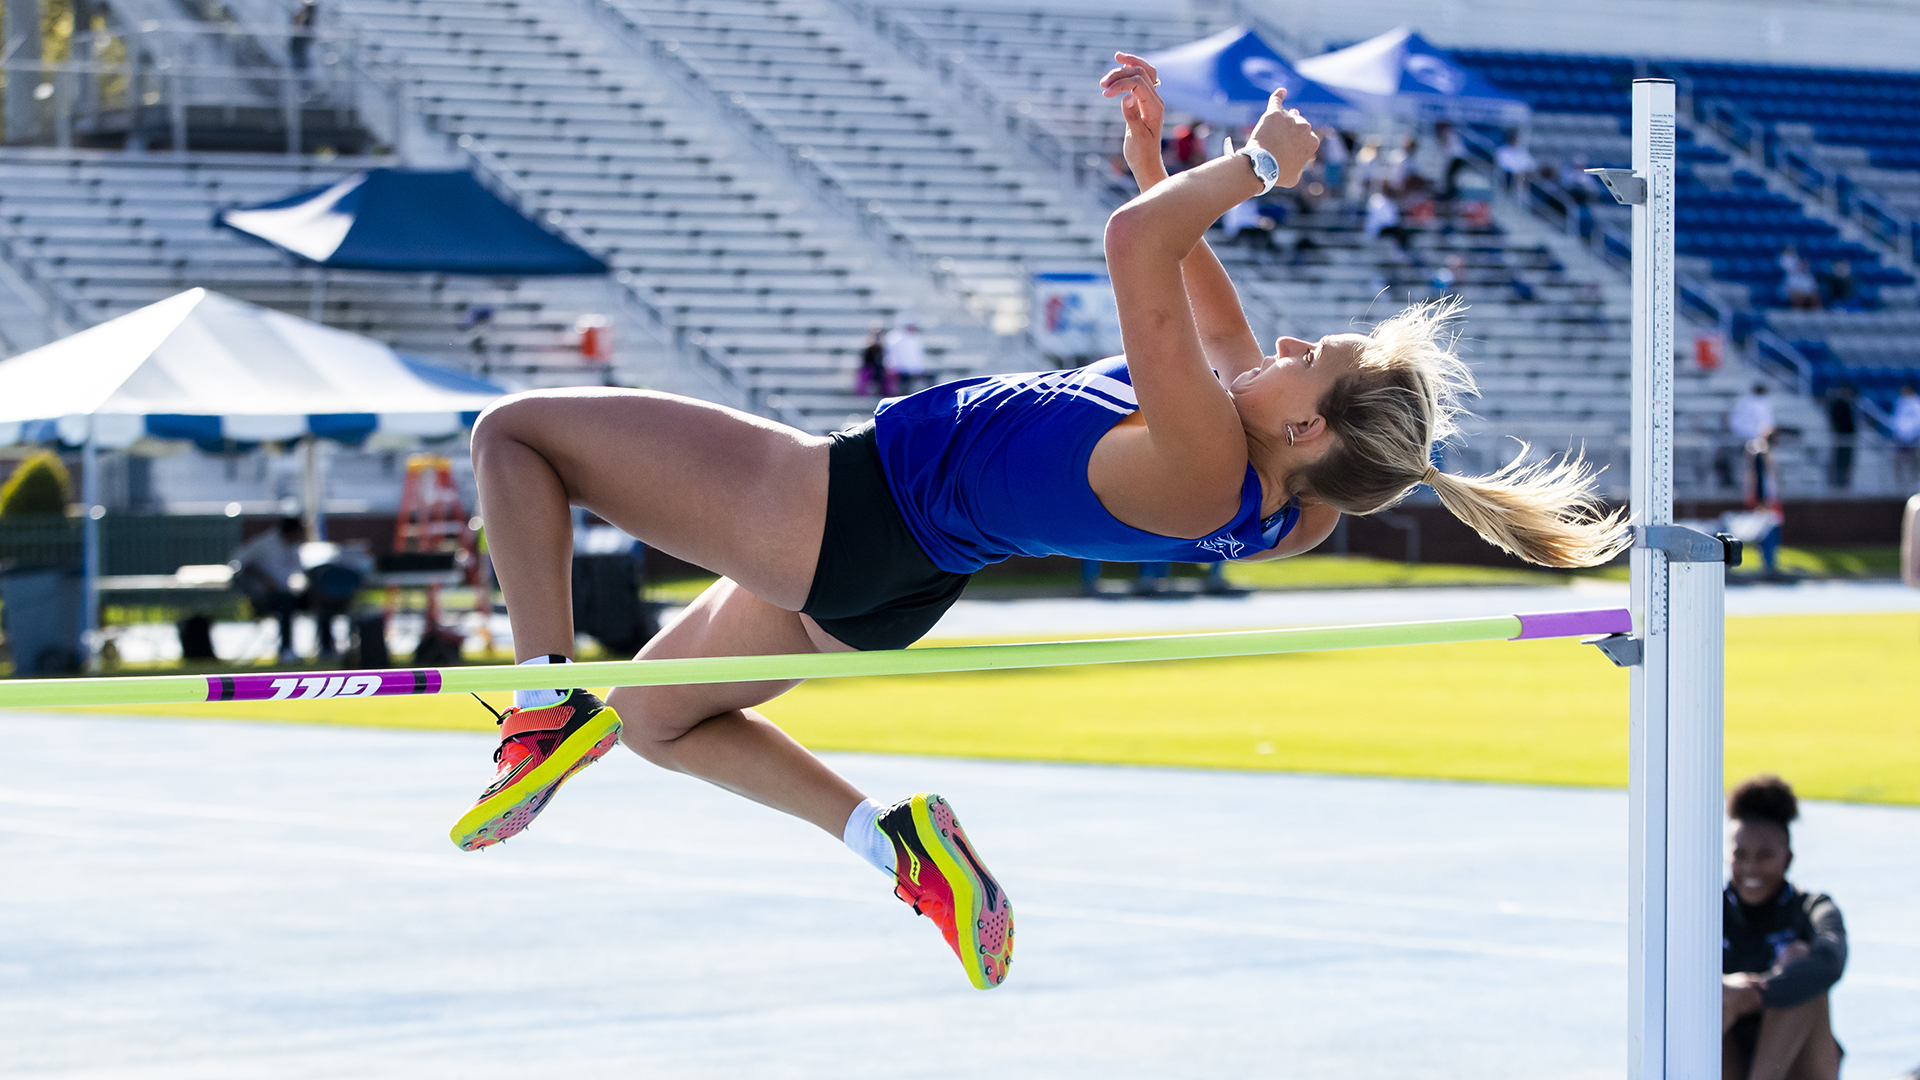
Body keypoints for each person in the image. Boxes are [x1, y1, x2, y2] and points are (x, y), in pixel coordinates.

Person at [445, 54, 1630, 993]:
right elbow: (1193, 296)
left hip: (843, 511)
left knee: (518, 435)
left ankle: (546, 704)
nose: (1279, 346)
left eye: (1305, 361)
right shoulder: (1282, 507)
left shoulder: (1205, 453)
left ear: (1310, 430)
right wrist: (1158, 159)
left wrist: (1257, 168)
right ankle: (896, 848)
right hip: (900, 580)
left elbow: (1139, 251)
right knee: (655, 721)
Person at [1723, 774, 1846, 1080]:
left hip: (1798, 1066)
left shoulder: (1811, 907)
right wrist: (1726, 986)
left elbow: (1831, 961)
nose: (1751, 868)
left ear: (1787, 859)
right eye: (1740, 855)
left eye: (1764, 856)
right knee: (1700, 986)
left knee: (1800, 958)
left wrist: (1760, 993)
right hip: (1730, 1058)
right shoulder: (1706, 910)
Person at [232, 517, 307, 664]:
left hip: (284, 593)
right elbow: (239, 565)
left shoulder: (293, 546)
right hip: (261, 598)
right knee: (285, 602)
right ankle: (285, 650)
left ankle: (327, 648)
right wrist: (262, 578)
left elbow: (299, 571)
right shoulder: (264, 544)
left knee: (321, 599)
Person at [1728, 383, 1779, 508]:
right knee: (1759, 470)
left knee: (1752, 471)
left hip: (1748, 438)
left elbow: (1735, 423)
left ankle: (1756, 500)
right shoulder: (1762, 404)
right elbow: (1767, 425)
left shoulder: (1743, 403)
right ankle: (1761, 501)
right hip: (1758, 440)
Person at [883, 320, 929, 394]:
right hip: (900, 369)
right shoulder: (896, 338)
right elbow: (892, 354)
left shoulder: (916, 338)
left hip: (913, 369)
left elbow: (917, 355)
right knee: (901, 389)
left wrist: (919, 368)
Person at [1825, 385, 1856, 491]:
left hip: (1849, 437)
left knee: (1847, 460)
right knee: (1839, 459)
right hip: (1840, 436)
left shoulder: (1850, 404)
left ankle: (1844, 481)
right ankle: (1837, 481)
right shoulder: (1837, 404)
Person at [1892, 383, 1920, 491]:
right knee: (1897, 460)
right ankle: (1900, 483)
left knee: (1915, 460)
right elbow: (1897, 419)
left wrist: (1914, 435)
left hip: (1914, 437)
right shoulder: (1900, 402)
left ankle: (1915, 481)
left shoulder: (1917, 403)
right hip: (1900, 437)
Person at [854, 326, 893, 397]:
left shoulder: (883, 347)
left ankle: (885, 394)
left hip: (880, 368)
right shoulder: (867, 347)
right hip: (868, 368)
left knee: (886, 377)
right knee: (864, 375)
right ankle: (862, 395)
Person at [1780, 246, 1821, 311]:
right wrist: (1804, 293)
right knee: (1799, 297)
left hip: (1807, 296)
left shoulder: (1810, 277)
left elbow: (1814, 289)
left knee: (1815, 297)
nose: (1804, 266)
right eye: (1802, 264)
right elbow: (1791, 290)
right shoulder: (1793, 275)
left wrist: (1806, 294)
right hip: (1795, 295)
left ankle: (1817, 314)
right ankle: (1796, 313)